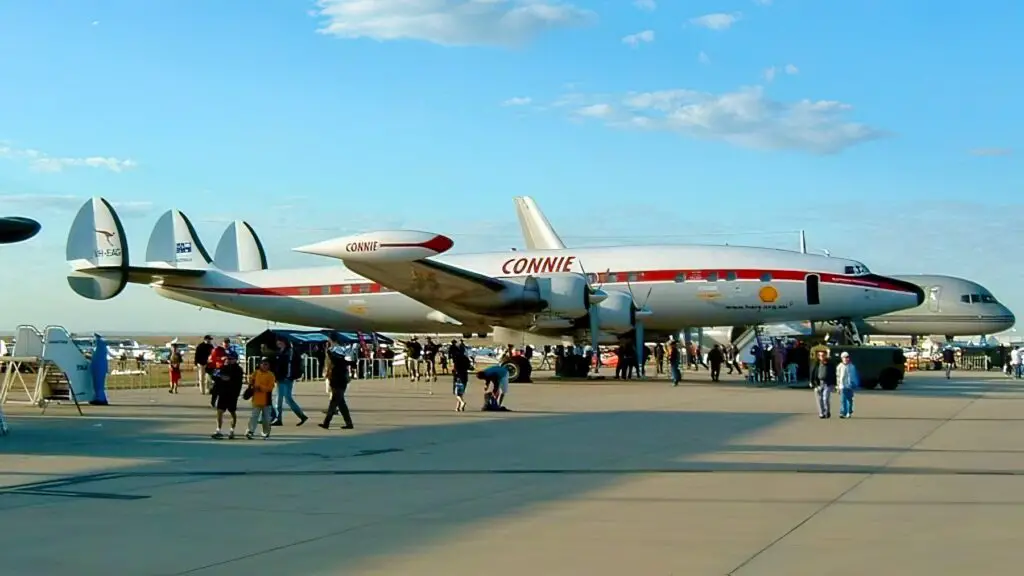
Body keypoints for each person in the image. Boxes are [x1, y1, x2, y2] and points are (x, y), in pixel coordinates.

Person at [320, 336, 355, 430]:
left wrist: (329, 352)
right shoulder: (338, 353)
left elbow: (337, 361)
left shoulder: (337, 352)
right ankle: (349, 423)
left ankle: (326, 423)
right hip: (337, 380)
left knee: (334, 402)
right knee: (341, 404)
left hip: (339, 380)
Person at [271, 337, 308, 427]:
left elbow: (289, 365)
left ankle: (280, 418)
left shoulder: (288, 352)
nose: (278, 343)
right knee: (286, 399)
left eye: (279, 341)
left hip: (285, 378)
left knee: (283, 399)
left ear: (284, 342)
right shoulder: (285, 351)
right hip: (283, 378)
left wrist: (287, 376)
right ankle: (300, 416)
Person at [211, 352, 244, 439]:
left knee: (232, 412)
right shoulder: (223, 368)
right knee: (219, 411)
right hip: (223, 393)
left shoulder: (238, 370)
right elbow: (216, 380)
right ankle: (218, 430)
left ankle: (232, 430)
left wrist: (236, 394)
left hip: (232, 394)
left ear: (236, 359)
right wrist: (214, 397)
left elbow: (238, 383)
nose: (229, 360)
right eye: (228, 358)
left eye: (231, 359)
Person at [245, 358, 276, 439]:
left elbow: (270, 388)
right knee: (254, 416)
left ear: (269, 366)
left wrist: (260, 387)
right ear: (260, 365)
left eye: (266, 364)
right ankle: (250, 431)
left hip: (266, 400)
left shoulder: (271, 375)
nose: (264, 366)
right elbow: (250, 380)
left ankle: (266, 432)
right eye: (263, 364)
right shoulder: (256, 373)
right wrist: (251, 382)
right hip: (256, 399)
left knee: (266, 418)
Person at [809, 349, 837, 419]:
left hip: (827, 383)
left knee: (825, 398)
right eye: (819, 355)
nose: (821, 356)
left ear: (826, 355)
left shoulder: (830, 364)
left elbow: (834, 374)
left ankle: (827, 411)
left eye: (823, 355)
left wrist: (834, 384)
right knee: (819, 399)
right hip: (818, 383)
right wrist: (811, 382)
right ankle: (821, 413)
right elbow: (812, 373)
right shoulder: (816, 363)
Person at [836, 351, 859, 419]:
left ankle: (849, 412)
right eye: (844, 357)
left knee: (849, 399)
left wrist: (854, 384)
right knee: (843, 400)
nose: (846, 359)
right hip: (842, 386)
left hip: (850, 385)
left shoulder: (852, 366)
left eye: (847, 357)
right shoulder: (839, 366)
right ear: (842, 358)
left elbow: (854, 376)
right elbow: (838, 376)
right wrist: (838, 386)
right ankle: (843, 412)